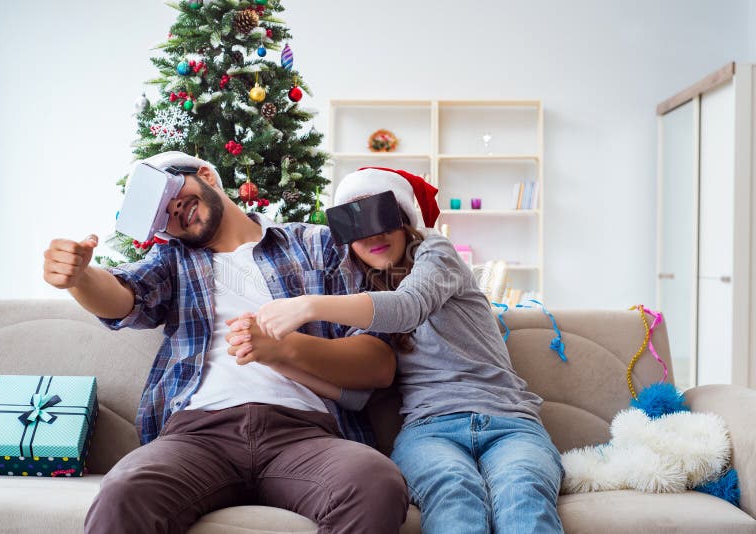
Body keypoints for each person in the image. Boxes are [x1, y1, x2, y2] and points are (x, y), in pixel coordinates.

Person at [42, 152, 408, 534]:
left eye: (176, 194)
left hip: (305, 435)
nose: (174, 210)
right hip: (196, 438)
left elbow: (379, 366)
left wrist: (284, 349)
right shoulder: (173, 262)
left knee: (375, 482)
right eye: (162, 214)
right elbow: (123, 296)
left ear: (205, 175)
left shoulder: (317, 246)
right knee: (122, 492)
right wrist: (81, 279)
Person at [232, 167, 565, 534]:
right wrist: (277, 357)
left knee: (521, 492)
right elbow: (357, 397)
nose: (374, 234)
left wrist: (307, 306)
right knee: (454, 491)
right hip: (428, 432)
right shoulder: (364, 302)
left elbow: (408, 305)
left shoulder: (435, 253)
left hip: (510, 422)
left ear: (405, 220)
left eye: (383, 219)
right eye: (356, 226)